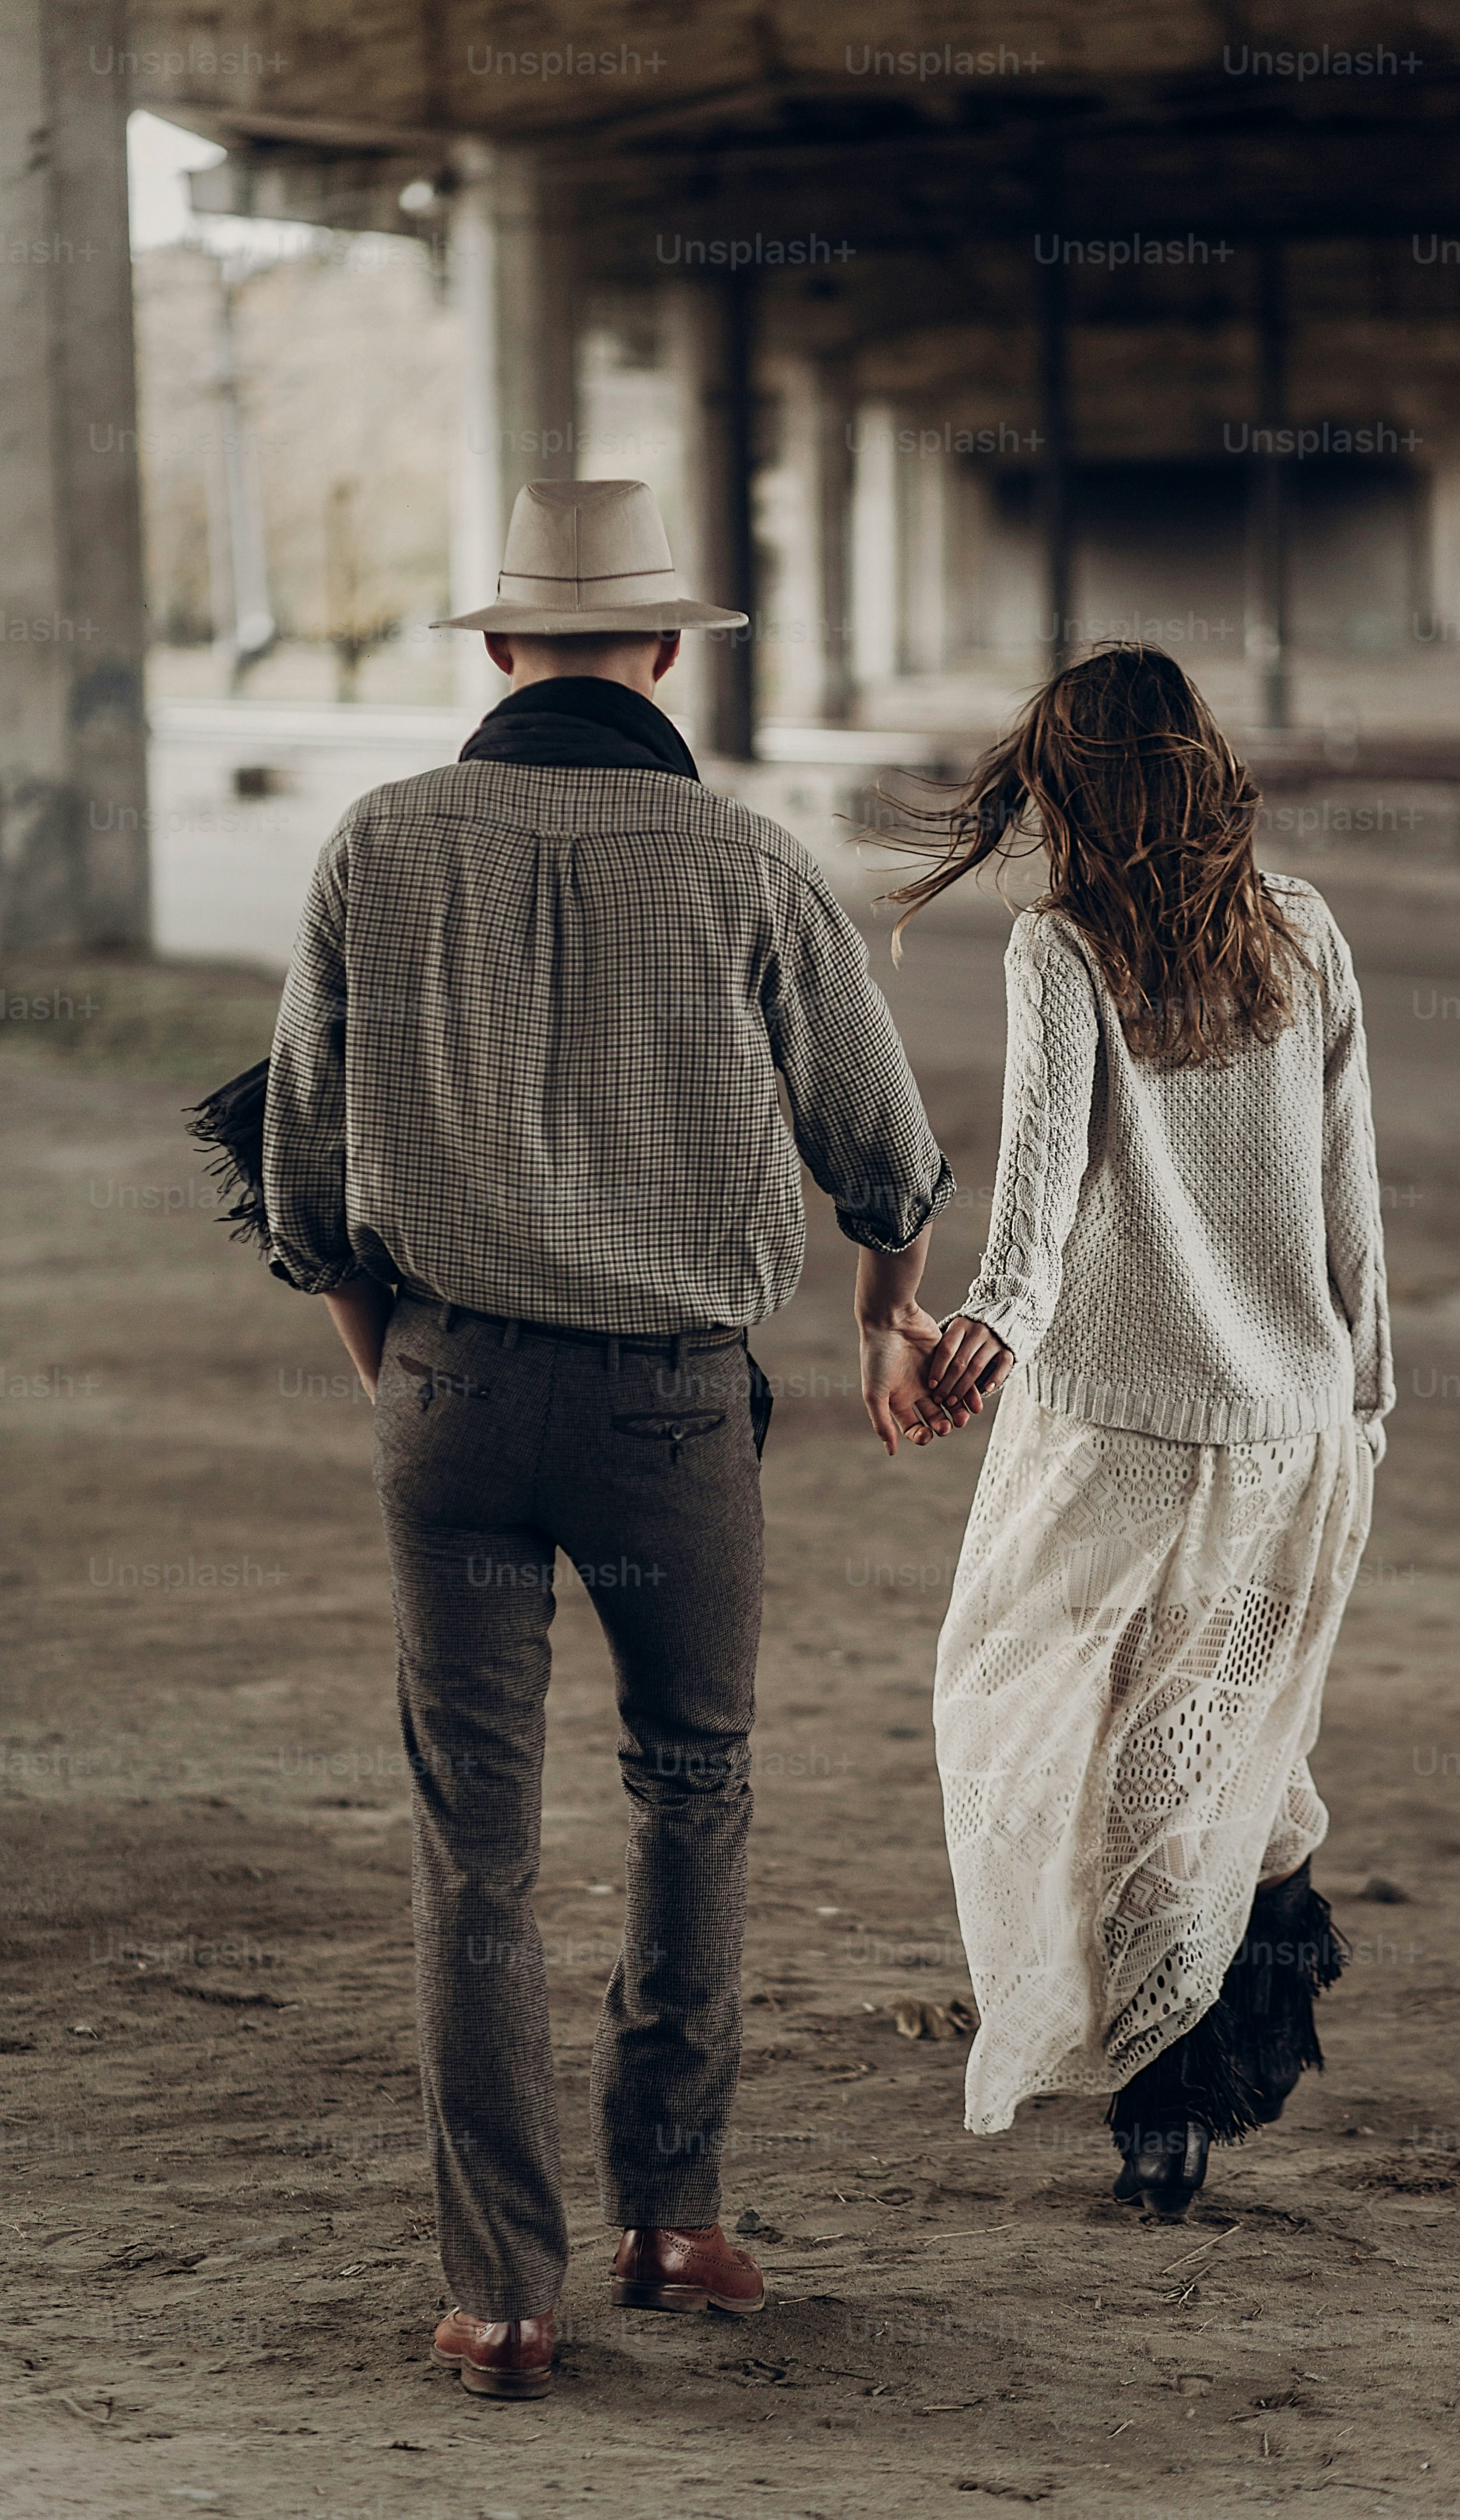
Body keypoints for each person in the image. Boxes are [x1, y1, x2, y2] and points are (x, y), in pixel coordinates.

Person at [257, 479, 993, 2396]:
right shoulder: (749, 865)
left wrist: (396, 1373)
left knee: (473, 1846)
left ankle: (502, 2296)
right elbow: (889, 1160)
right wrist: (878, 1318)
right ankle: (672, 2218)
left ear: (496, 652)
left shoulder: (374, 846)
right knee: (693, 1787)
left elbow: (303, 1188)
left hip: (446, 1387)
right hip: (674, 1409)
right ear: (664, 654)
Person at [909, 644, 1393, 2219]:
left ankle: (1158, 2082)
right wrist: (1366, 1395)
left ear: (1071, 793)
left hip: (1113, 1425)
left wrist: (986, 1329)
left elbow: (1038, 1199)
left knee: (1035, 1709)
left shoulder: (1063, 950)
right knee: (1240, 1729)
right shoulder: (1307, 933)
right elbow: (1349, 1199)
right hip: (1291, 1423)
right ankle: (1212, 2066)